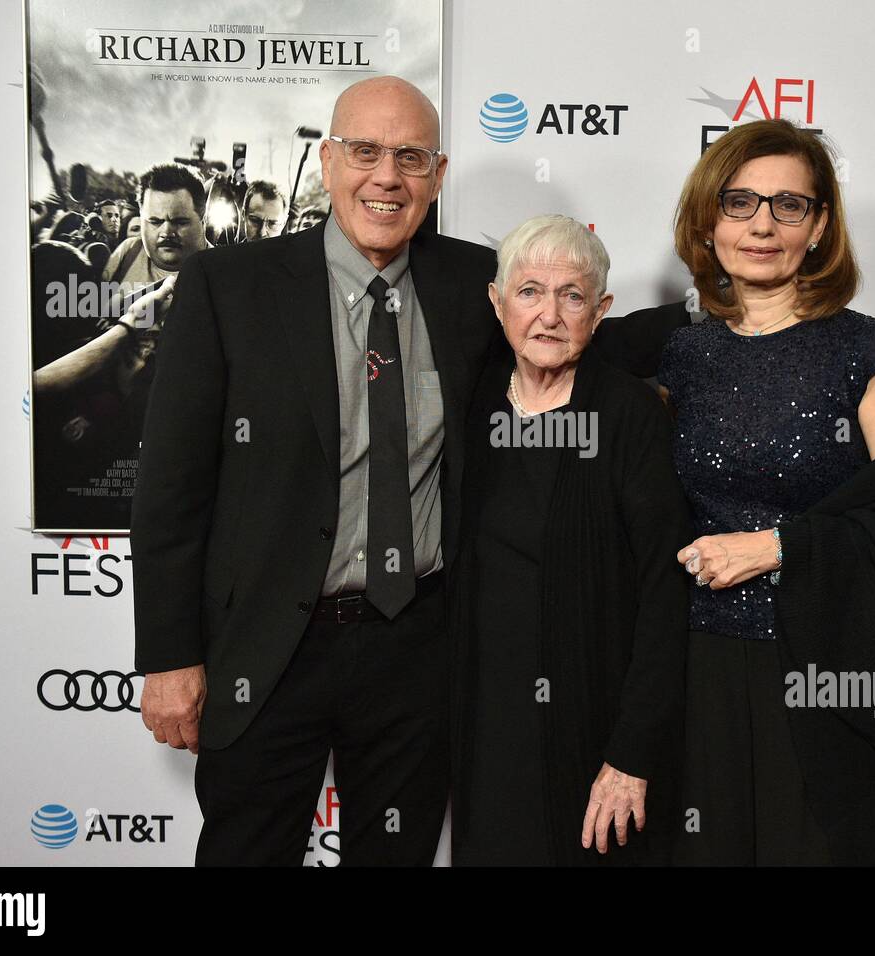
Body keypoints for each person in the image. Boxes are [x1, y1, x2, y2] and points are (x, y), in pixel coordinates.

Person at [131, 75, 501, 866]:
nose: (386, 177)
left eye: (410, 157)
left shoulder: (478, 286)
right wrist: (168, 656)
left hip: (417, 645)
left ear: (437, 176)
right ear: (329, 162)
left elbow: (568, 344)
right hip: (268, 645)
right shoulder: (228, 287)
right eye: (364, 151)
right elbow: (170, 486)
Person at [652, 119, 875, 865]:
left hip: (824, 668)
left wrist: (779, 548)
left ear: (819, 227)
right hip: (700, 673)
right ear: (708, 219)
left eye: (789, 206)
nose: (761, 224)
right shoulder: (681, 355)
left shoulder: (866, 347)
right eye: (740, 201)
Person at [450, 215, 691, 866]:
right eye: (529, 292)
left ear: (601, 311)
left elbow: (666, 598)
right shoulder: (472, 408)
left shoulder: (630, 417)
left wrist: (632, 755)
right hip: (487, 733)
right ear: (499, 304)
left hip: (595, 730)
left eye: (572, 296)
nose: (549, 315)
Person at [103, 163, 208, 286]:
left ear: (203, 220)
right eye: (155, 222)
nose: (166, 232)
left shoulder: (223, 270)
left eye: (180, 222)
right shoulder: (128, 252)